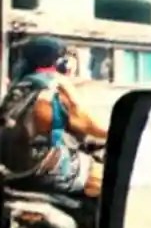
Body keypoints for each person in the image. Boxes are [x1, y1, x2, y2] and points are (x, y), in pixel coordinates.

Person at [0, 35, 108, 199]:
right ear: (60, 62)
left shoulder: (21, 86)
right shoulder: (57, 86)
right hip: (44, 168)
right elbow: (89, 124)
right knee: (104, 180)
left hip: (12, 169)